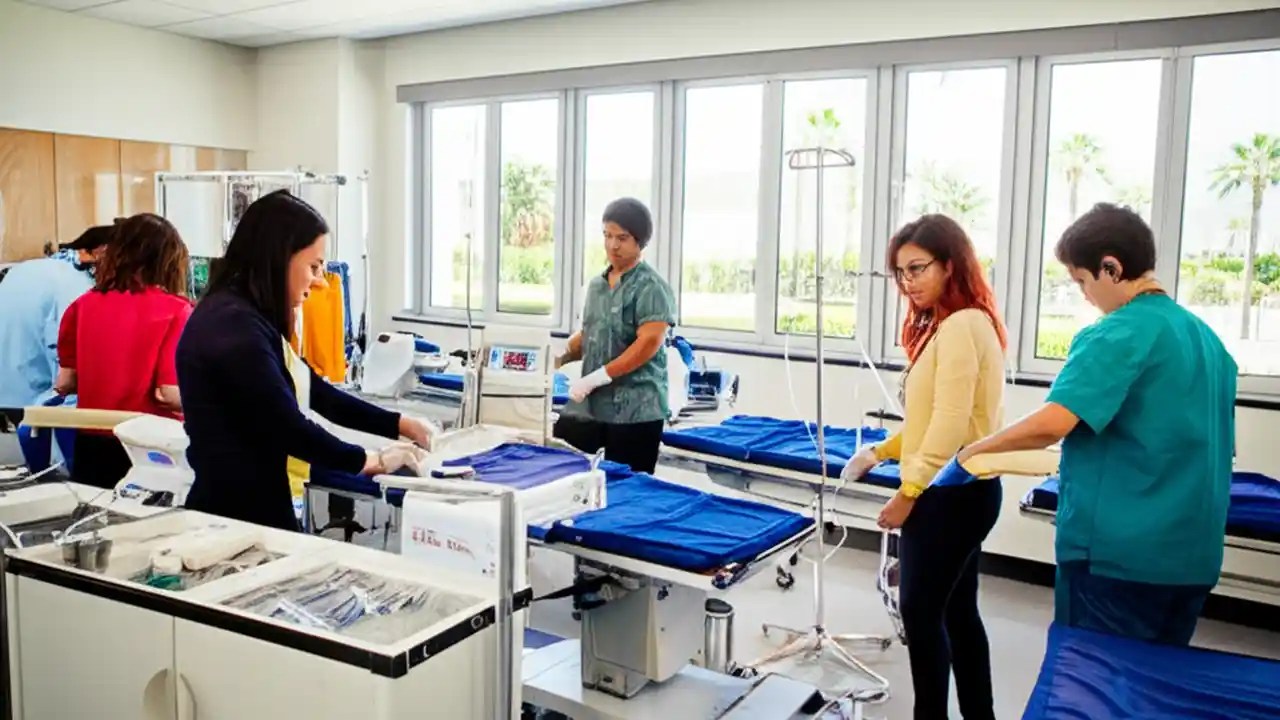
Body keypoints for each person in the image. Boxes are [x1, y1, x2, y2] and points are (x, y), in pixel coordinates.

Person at [955, 203, 1236, 647]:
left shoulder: (1118, 332)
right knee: (1154, 687)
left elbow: (1053, 422)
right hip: (1190, 558)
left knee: (1093, 688)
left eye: (1083, 281)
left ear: (1111, 267)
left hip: (1119, 557)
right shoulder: (1208, 341)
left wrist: (973, 451)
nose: (1085, 295)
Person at [177, 190, 435, 531]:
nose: (318, 280)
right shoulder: (234, 328)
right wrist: (372, 461)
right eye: (313, 266)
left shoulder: (246, 316)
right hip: (235, 519)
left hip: (256, 506)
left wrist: (401, 424)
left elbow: (316, 391)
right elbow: (288, 427)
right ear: (279, 257)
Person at [841, 215, 1007, 720]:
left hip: (949, 495)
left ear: (950, 264)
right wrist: (880, 452)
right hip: (969, 489)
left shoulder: (959, 326)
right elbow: (930, 420)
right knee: (958, 611)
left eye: (918, 268)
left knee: (920, 611)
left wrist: (908, 491)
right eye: (901, 273)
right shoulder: (960, 321)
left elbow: (952, 423)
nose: (908, 282)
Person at [54, 215, 192, 489]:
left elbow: (65, 383)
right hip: (148, 447)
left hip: (91, 442)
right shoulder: (177, 310)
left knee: (93, 525)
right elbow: (167, 392)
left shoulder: (81, 306)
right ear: (168, 261)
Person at [553, 197, 676, 474]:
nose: (613, 245)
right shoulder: (597, 285)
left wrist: (598, 376)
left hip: (636, 410)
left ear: (640, 241)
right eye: (607, 236)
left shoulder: (652, 288)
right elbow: (591, 333)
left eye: (622, 238)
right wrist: (557, 357)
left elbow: (648, 343)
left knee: (628, 490)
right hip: (590, 406)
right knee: (563, 467)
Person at [0, 225, 111, 427]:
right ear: (100, 251)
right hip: (39, 394)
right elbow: (63, 347)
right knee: (57, 455)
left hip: (9, 388)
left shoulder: (27, 268)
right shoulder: (76, 285)